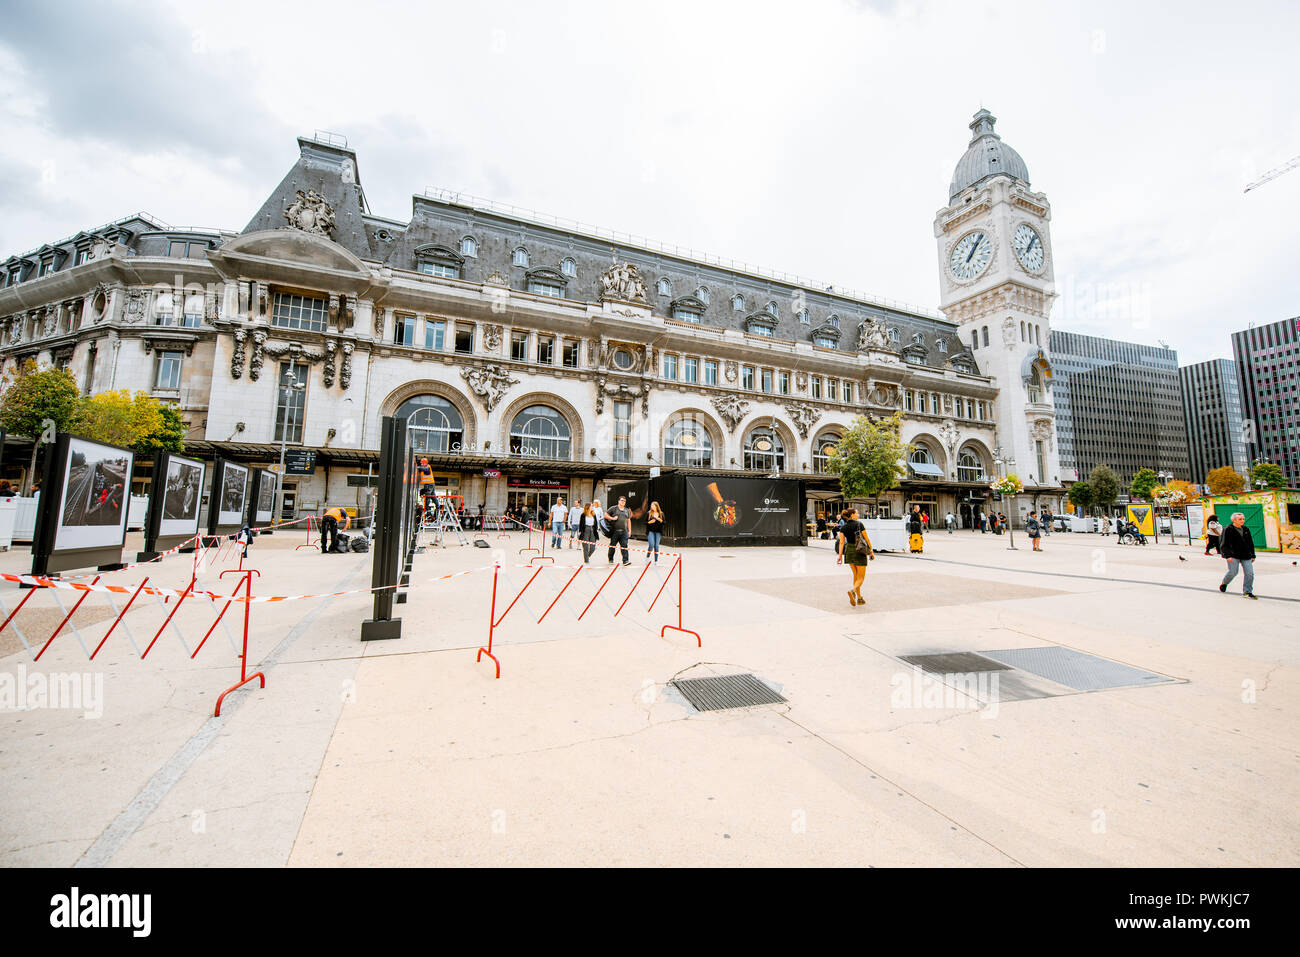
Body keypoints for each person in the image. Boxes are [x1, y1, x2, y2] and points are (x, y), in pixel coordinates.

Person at [836, 507, 875, 606]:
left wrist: (840, 556)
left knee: (856, 576)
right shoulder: (859, 524)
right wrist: (871, 551)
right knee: (861, 577)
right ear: (852, 514)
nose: (858, 515)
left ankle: (860, 598)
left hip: (849, 551)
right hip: (859, 551)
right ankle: (853, 591)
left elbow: (841, 542)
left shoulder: (843, 527)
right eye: (857, 513)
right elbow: (866, 539)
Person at [1218, 512, 1257, 599]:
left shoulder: (1246, 529)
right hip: (1233, 555)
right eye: (1240, 519)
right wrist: (1227, 555)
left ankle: (1247, 591)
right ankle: (1224, 583)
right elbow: (1224, 543)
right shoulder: (1228, 529)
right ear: (1234, 520)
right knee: (1233, 572)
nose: (1242, 521)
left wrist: (1253, 555)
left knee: (1250, 573)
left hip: (1246, 555)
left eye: (1243, 519)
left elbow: (1250, 543)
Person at [606, 495, 631, 565]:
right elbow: (605, 515)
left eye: (624, 501)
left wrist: (629, 531)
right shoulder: (613, 508)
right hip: (615, 531)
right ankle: (610, 559)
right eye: (622, 500)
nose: (623, 502)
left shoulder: (626, 510)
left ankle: (625, 561)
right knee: (612, 546)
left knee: (624, 546)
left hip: (624, 531)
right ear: (618, 501)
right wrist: (612, 518)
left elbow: (628, 521)